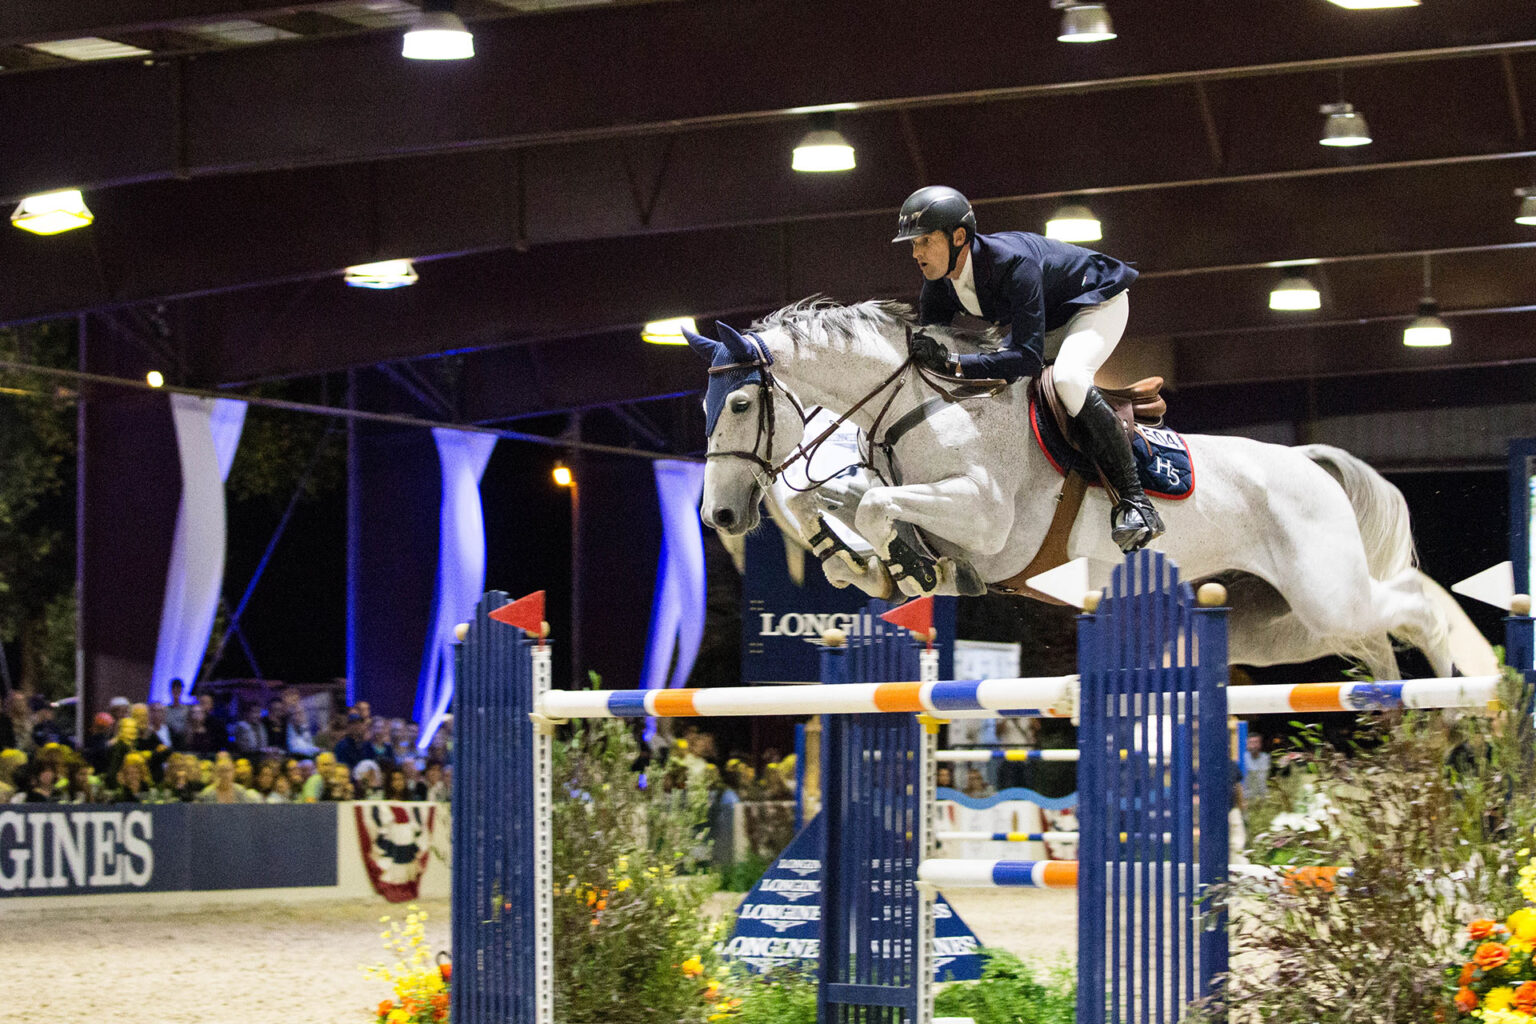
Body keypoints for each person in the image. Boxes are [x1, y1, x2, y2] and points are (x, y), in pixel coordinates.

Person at [893, 185, 1162, 551]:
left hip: (1094, 304)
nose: (916, 253)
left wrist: (955, 364)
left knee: (1068, 378)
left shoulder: (1013, 263)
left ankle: (1136, 503)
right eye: (913, 244)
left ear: (958, 237)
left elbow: (1027, 359)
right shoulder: (937, 287)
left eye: (924, 241)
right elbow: (933, 358)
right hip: (1050, 319)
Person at [1241, 731, 1271, 805]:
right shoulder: (1242, 758)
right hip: (1247, 799)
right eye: (1251, 743)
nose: (1253, 746)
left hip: (1263, 799)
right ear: (1247, 745)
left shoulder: (1266, 758)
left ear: (1260, 744)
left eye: (1256, 742)